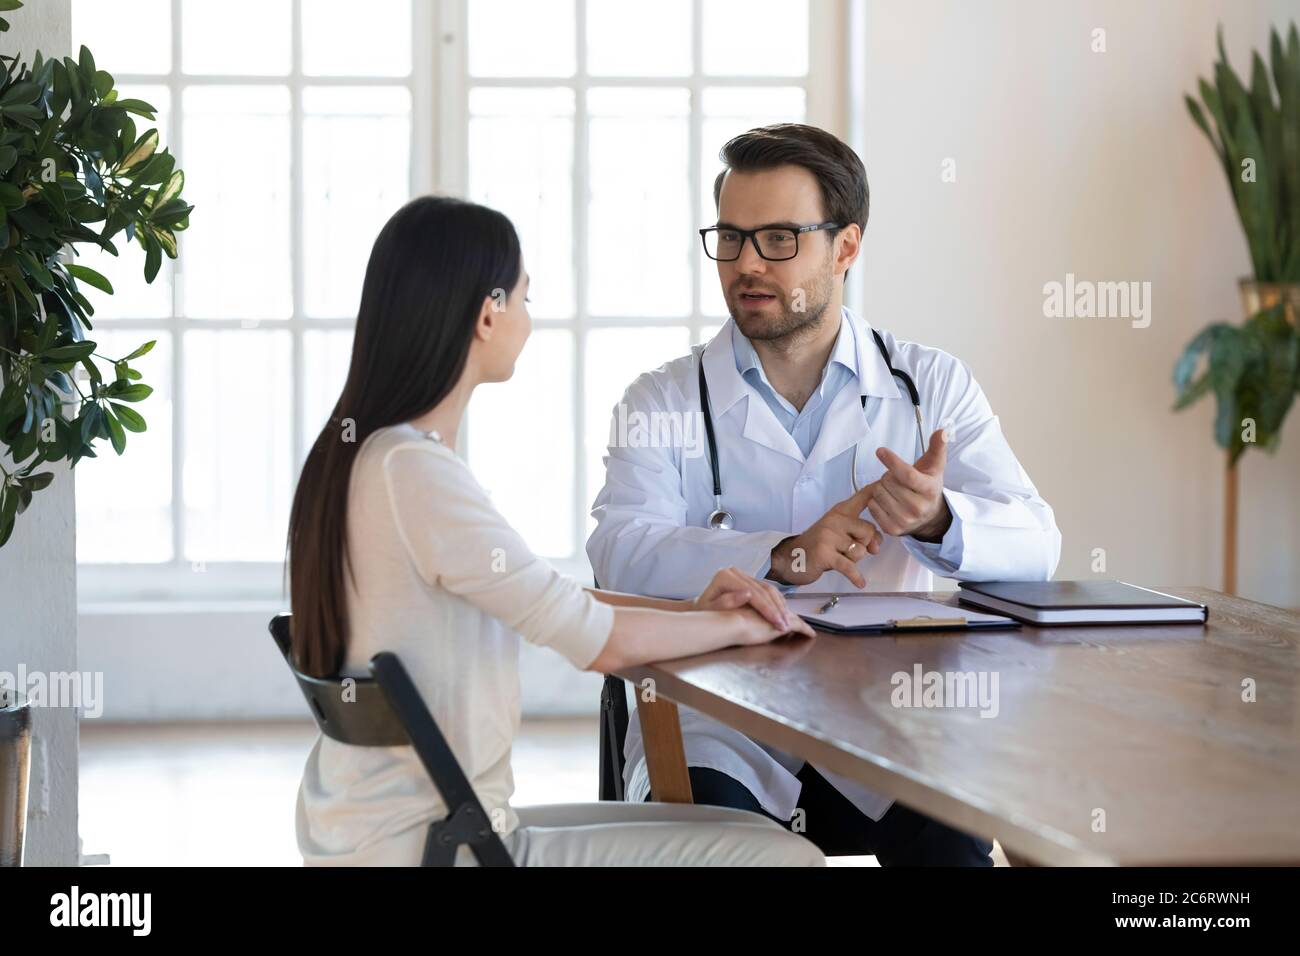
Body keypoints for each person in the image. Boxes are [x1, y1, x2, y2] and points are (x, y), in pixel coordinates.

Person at [287, 195, 823, 867]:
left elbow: (555, 600)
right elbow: (592, 641)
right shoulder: (414, 472)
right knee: (785, 858)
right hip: (434, 844)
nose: (528, 320)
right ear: (489, 313)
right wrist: (744, 625)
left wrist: (693, 612)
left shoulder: (365, 458)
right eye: (526, 299)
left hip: (388, 830)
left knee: (762, 838)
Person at [587, 124, 1061, 866]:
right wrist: (785, 553)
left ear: (845, 247)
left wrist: (938, 519)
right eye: (732, 238)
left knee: (958, 849)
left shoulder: (929, 385)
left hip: (889, 720)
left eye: (779, 239)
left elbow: (1038, 544)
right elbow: (618, 552)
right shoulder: (664, 398)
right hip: (723, 719)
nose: (746, 263)